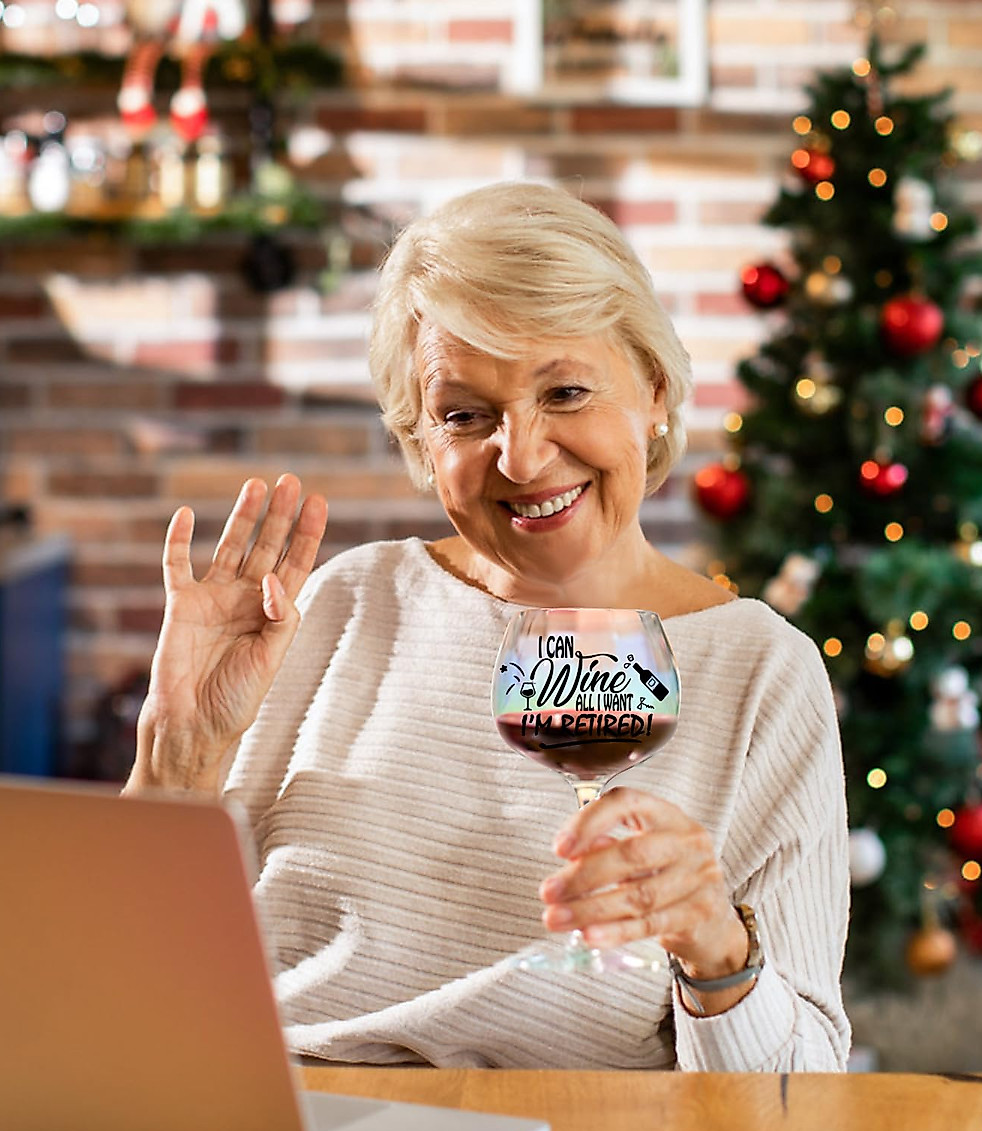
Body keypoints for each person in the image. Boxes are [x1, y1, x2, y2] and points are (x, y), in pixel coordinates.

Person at [126, 181, 851, 1071]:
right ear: (421, 440)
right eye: (465, 415)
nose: (522, 454)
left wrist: (713, 945)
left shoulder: (757, 671)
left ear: (655, 392)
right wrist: (177, 756)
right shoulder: (338, 610)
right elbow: (134, 994)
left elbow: (799, 1099)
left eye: (567, 391)